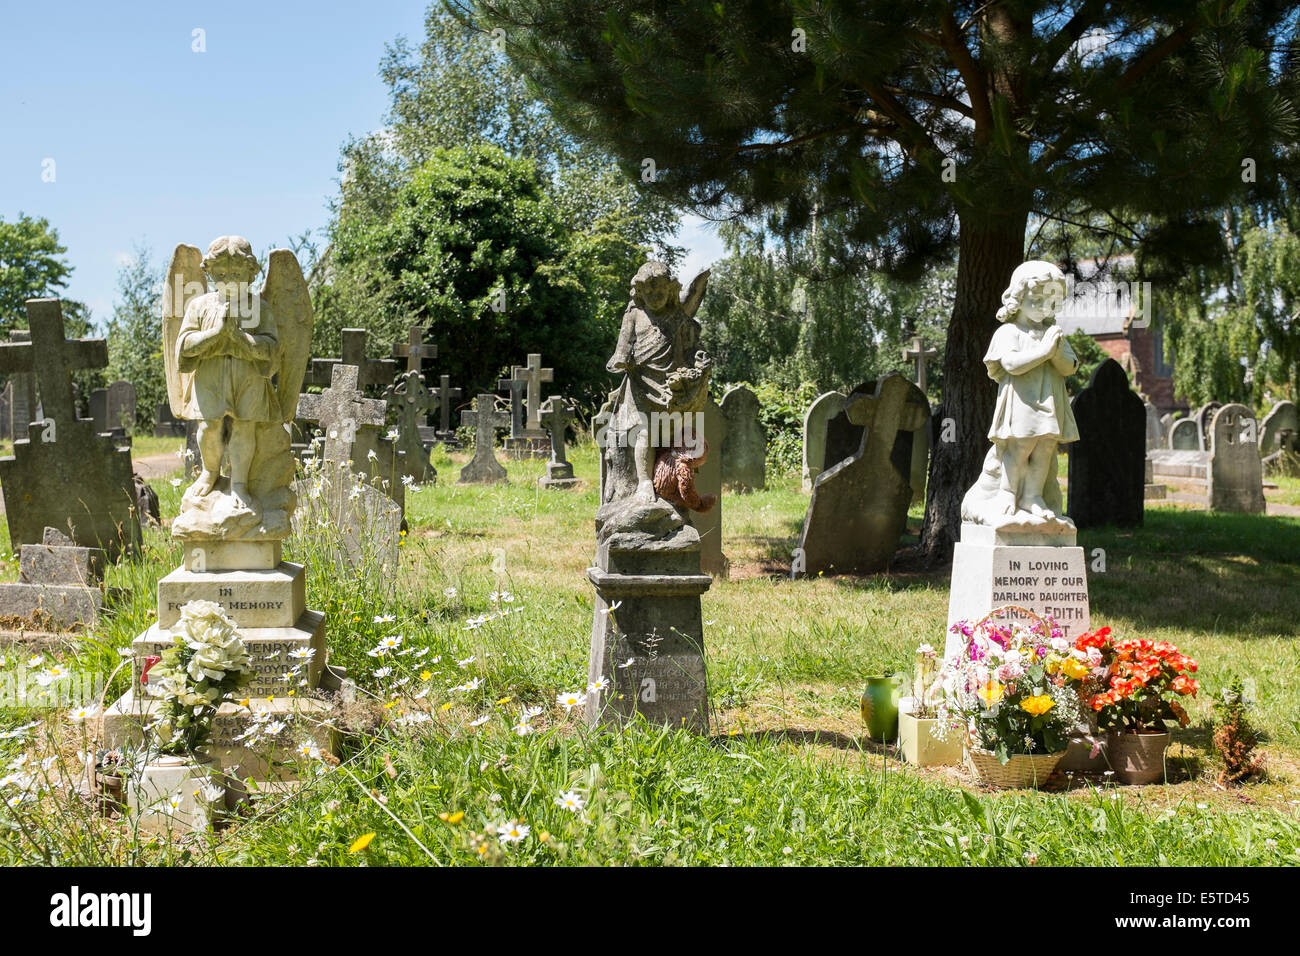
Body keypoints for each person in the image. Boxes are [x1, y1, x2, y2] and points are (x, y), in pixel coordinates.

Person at [175, 236, 280, 513]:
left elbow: (271, 350)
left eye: (236, 274)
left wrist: (242, 340)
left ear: (251, 274)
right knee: (209, 427)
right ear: (209, 273)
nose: (229, 281)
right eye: (221, 274)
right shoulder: (200, 306)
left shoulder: (259, 307)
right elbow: (183, 347)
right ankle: (209, 472)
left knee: (244, 427)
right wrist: (216, 335)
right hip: (210, 377)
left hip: (248, 379)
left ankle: (241, 483)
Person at [983, 260, 1079, 520]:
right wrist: (1044, 352)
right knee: (1020, 447)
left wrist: (1055, 352)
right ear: (1018, 296)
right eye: (1036, 298)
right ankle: (1007, 491)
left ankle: (1032, 496)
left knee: (1046, 448)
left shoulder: (1053, 334)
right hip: (1022, 402)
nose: (1042, 306)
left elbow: (1070, 366)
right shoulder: (1009, 331)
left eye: (1050, 301)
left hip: (1050, 402)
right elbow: (1011, 364)